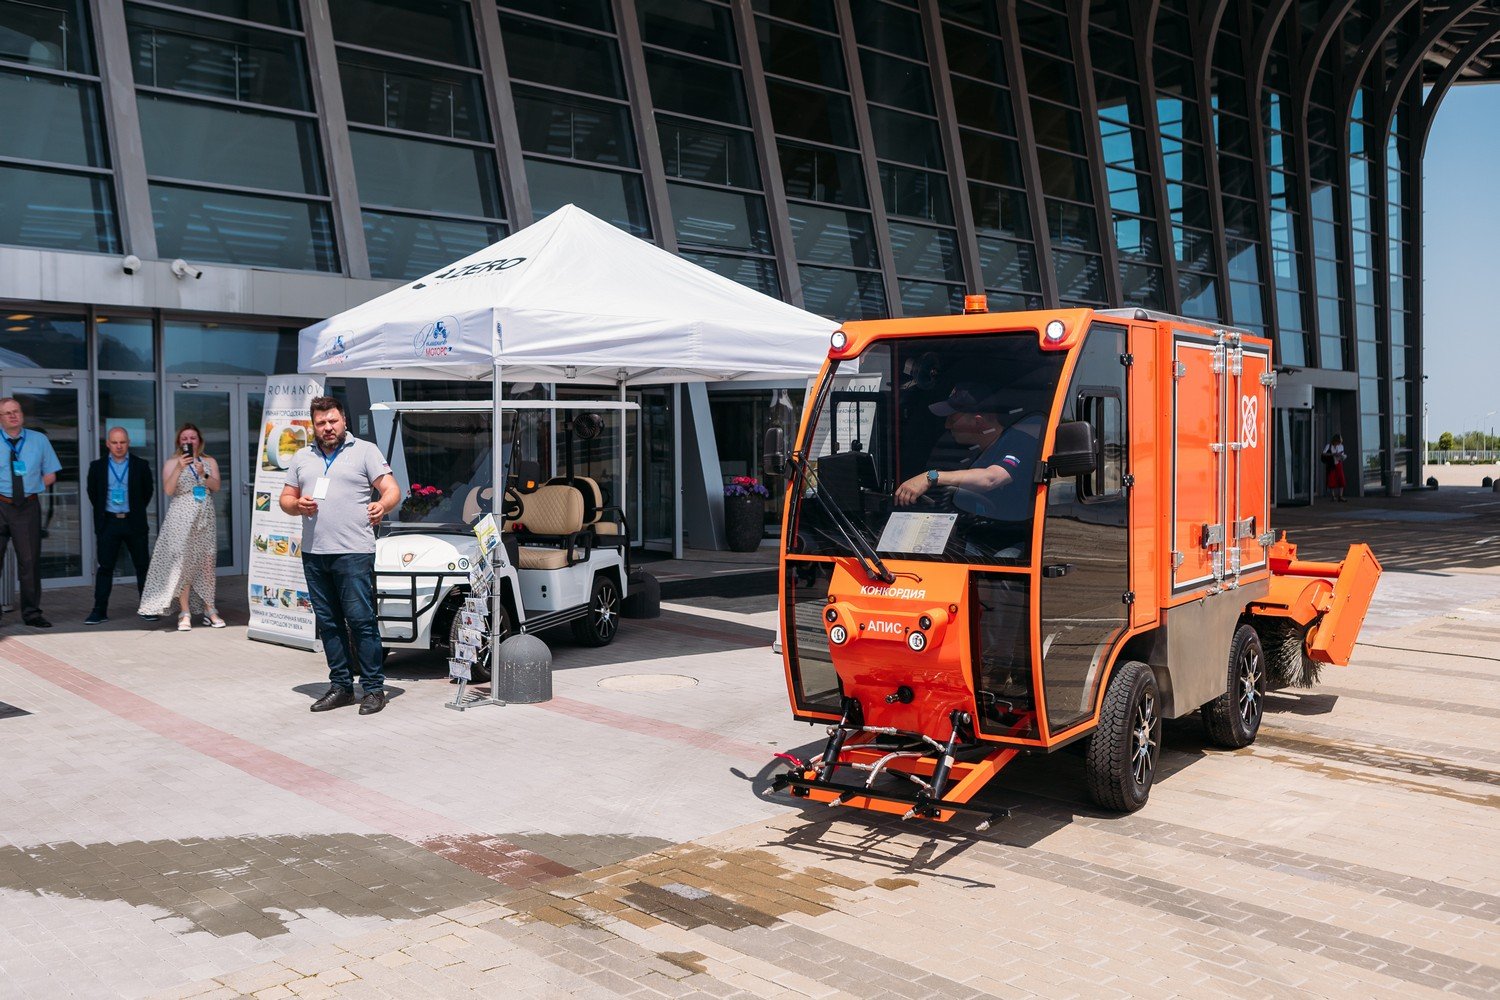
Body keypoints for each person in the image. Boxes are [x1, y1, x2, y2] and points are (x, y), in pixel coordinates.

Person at [281, 396, 399, 715]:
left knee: (361, 621)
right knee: (329, 623)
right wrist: (296, 505)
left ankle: (374, 689)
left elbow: (391, 489)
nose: (328, 427)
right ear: (313, 426)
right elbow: (285, 499)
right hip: (315, 554)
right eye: (321, 423)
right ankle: (342, 687)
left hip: (354, 552)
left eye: (333, 420)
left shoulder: (365, 451)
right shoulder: (302, 457)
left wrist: (382, 505)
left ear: (343, 419)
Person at [895, 383, 1045, 547]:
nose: (947, 425)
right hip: (982, 537)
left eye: (952, 419)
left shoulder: (1019, 443)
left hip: (1016, 544)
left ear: (978, 422)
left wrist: (931, 477)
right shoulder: (974, 455)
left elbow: (991, 479)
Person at [139, 423, 225, 630]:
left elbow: (216, 486)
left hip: (205, 517)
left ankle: (209, 608)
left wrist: (204, 473)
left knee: (206, 564)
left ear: (199, 440)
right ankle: (184, 612)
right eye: (185, 438)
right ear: (179, 441)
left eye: (192, 438)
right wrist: (179, 467)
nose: (189, 442)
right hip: (181, 517)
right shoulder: (171, 462)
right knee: (183, 564)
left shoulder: (209, 461)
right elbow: (168, 490)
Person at [0, 396, 61, 628]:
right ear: (0, 419)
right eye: (8, 413)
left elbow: (51, 473)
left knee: (30, 562)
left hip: (27, 507)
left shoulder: (39, 440)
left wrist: (31, 487)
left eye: (17, 411)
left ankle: (32, 613)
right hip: (0, 503)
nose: (14, 415)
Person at [85, 427, 156, 625]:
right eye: (114, 442)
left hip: (134, 522)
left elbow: (147, 492)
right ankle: (99, 611)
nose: (118, 446)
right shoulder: (97, 467)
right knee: (105, 567)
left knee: (142, 566)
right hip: (109, 522)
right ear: (107, 443)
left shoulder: (140, 465)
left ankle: (147, 607)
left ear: (128, 443)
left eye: (122, 442)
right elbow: (93, 493)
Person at [1323, 433, 1347, 502]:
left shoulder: (1341, 446)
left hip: (1338, 463)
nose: (1338, 444)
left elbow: (1342, 454)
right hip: (1332, 464)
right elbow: (1323, 454)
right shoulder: (1329, 446)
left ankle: (1340, 496)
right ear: (1334, 441)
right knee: (1332, 479)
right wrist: (1333, 454)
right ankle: (1333, 496)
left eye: (1339, 442)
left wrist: (1342, 456)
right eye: (1337, 442)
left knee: (1341, 479)